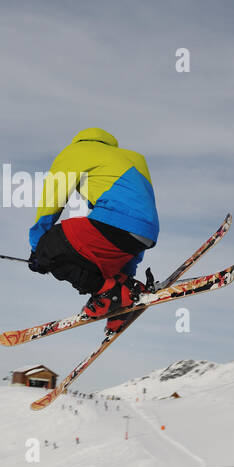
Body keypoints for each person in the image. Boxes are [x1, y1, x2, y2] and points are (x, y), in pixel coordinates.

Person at [28, 128, 160, 330]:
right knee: (93, 261)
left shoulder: (75, 152)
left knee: (52, 244)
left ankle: (108, 293)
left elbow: (52, 197)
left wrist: (39, 249)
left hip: (115, 224)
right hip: (146, 233)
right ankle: (117, 301)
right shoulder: (132, 159)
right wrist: (127, 274)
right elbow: (136, 217)